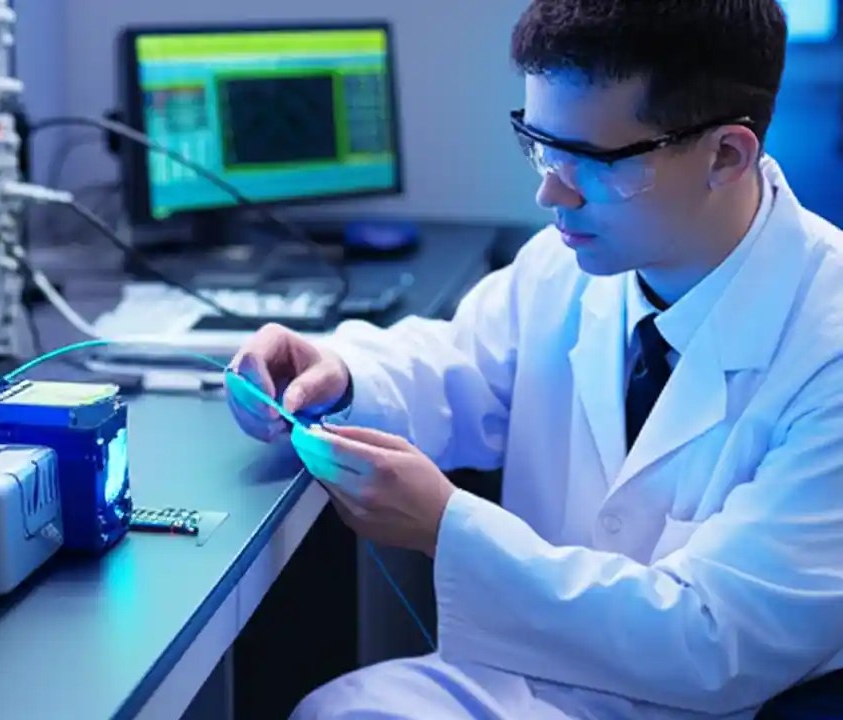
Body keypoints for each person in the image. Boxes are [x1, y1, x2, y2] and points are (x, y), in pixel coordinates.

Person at [226, 1, 843, 718]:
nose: (549, 191)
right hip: (533, 682)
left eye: (592, 162)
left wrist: (447, 527)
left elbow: (712, 643)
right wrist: (339, 371)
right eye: (541, 144)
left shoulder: (826, 344)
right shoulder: (570, 265)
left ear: (726, 156)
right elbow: (460, 366)